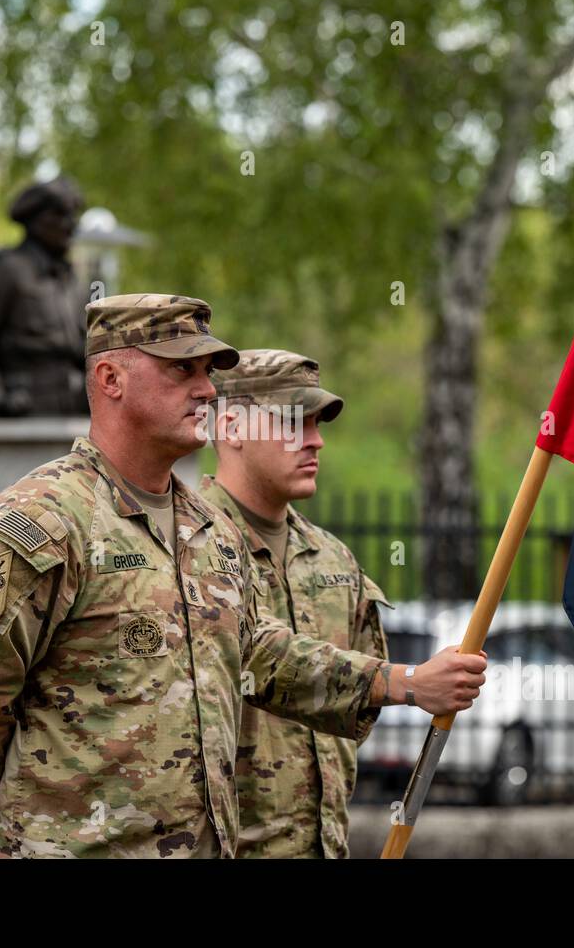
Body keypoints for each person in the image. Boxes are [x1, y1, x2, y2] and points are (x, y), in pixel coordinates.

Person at [0, 293, 487, 858]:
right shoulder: (44, 520)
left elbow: (258, 655)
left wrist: (404, 683)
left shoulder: (210, 531)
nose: (208, 390)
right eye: (182, 369)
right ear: (111, 377)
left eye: (208, 371)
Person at [200, 349, 388, 858]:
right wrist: (411, 684)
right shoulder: (185, 547)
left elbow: (355, 714)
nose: (315, 440)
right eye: (293, 421)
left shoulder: (332, 558)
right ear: (233, 427)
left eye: (317, 423)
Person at [0, 175, 90, 416]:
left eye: (73, 216)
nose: (71, 225)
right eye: (61, 215)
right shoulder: (7, 268)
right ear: (36, 221)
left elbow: (83, 345)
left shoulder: (70, 278)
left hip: (72, 408)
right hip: (23, 407)